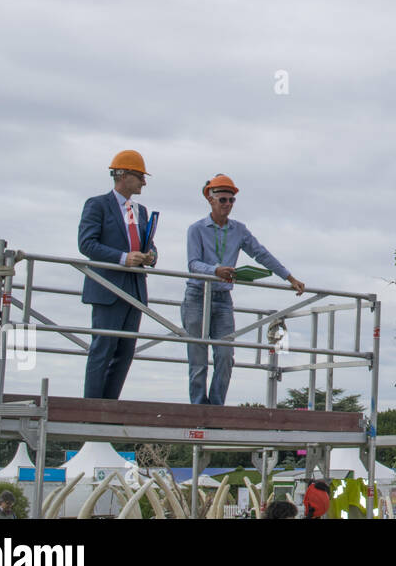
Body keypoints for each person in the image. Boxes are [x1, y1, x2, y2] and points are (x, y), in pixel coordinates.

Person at [184, 174, 305, 405]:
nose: (228, 205)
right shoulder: (196, 229)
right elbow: (192, 264)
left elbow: (261, 253)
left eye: (232, 200)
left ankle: (216, 408)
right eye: (223, 200)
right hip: (197, 296)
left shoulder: (239, 230)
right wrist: (215, 270)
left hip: (222, 298)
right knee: (198, 357)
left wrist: (289, 277)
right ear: (210, 199)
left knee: (226, 355)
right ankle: (198, 410)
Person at [79, 150, 158, 400]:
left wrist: (151, 255)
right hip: (108, 288)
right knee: (103, 349)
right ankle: (91, 409)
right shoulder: (97, 204)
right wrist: (124, 258)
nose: (144, 182)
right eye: (140, 176)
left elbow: (148, 244)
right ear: (123, 175)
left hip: (134, 290)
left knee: (125, 353)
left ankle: (109, 408)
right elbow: (86, 244)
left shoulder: (141, 210)